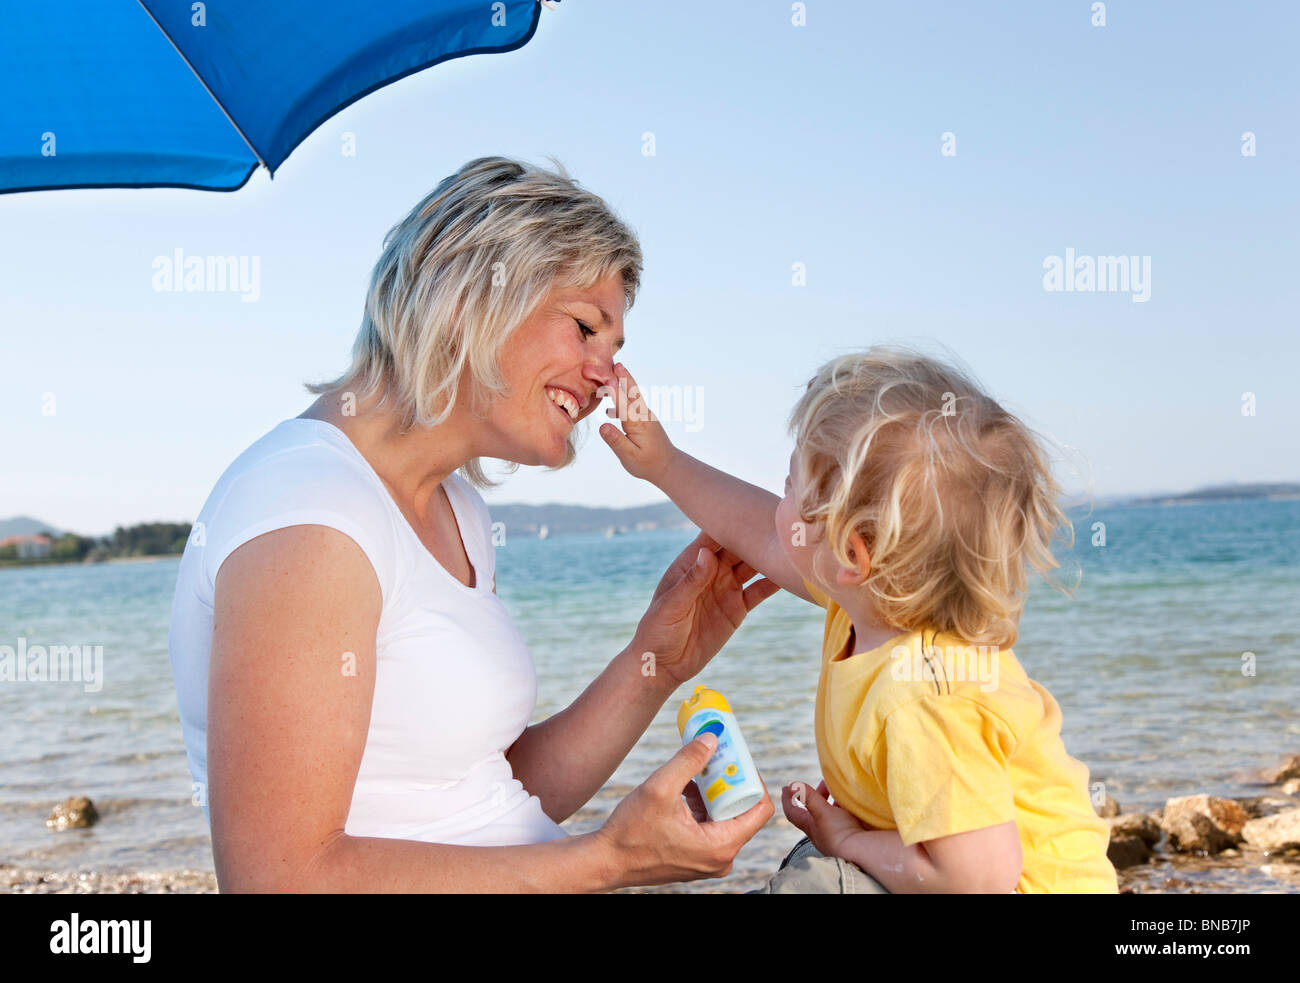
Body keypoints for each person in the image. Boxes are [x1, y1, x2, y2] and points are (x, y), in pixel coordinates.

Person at [167, 156, 776, 893]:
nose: (606, 377)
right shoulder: (310, 511)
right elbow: (279, 878)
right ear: (468, 295)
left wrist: (657, 661)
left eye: (614, 351)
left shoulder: (457, 507)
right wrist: (609, 859)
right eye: (585, 327)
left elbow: (484, 798)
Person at [600, 347, 1119, 893]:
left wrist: (847, 840)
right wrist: (664, 463)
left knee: (818, 881)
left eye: (789, 488)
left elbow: (977, 879)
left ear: (851, 555)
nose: (779, 502)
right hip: (934, 870)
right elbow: (761, 532)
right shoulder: (868, 606)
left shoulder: (925, 694)